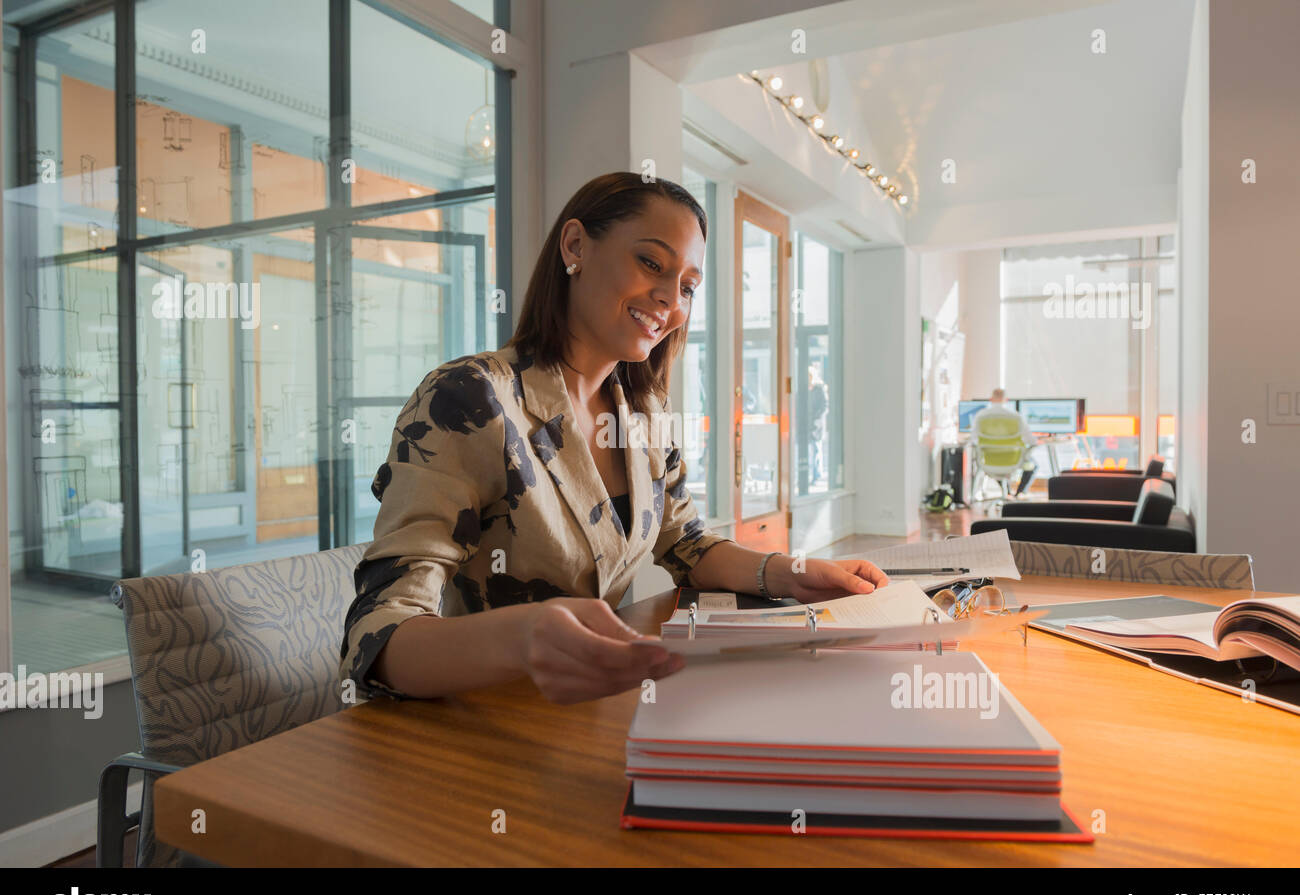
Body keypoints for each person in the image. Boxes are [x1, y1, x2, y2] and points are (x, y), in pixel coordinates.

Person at [339, 171, 889, 706]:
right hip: (481, 720)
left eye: (689, 287)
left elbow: (686, 543)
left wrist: (792, 574)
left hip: (594, 710)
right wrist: (523, 638)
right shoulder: (469, 398)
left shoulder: (645, 409)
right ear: (575, 245)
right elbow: (378, 633)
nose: (670, 300)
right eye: (651, 262)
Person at [970, 388, 1037, 496]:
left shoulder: (981, 416)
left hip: (988, 460)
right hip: (1013, 460)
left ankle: (1007, 493)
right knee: (1034, 465)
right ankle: (1019, 494)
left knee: (996, 464)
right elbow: (1032, 441)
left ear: (991, 399)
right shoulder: (1015, 417)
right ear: (1006, 400)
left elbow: (973, 440)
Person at [806, 365, 828, 484]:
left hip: (817, 425)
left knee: (816, 450)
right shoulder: (806, 390)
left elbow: (824, 406)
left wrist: (816, 418)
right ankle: (810, 475)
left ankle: (816, 475)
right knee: (810, 451)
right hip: (808, 424)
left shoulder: (819, 389)